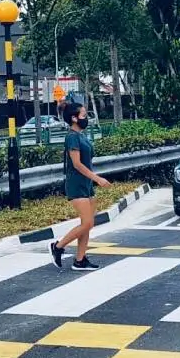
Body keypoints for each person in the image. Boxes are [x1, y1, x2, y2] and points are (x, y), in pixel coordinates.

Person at [50, 102, 110, 271]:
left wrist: (92, 180)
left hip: (86, 183)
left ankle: (80, 260)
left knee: (87, 223)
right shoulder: (72, 137)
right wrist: (97, 179)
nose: (86, 118)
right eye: (83, 115)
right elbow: (76, 164)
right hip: (76, 184)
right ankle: (58, 247)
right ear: (74, 118)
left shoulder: (81, 136)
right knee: (87, 223)